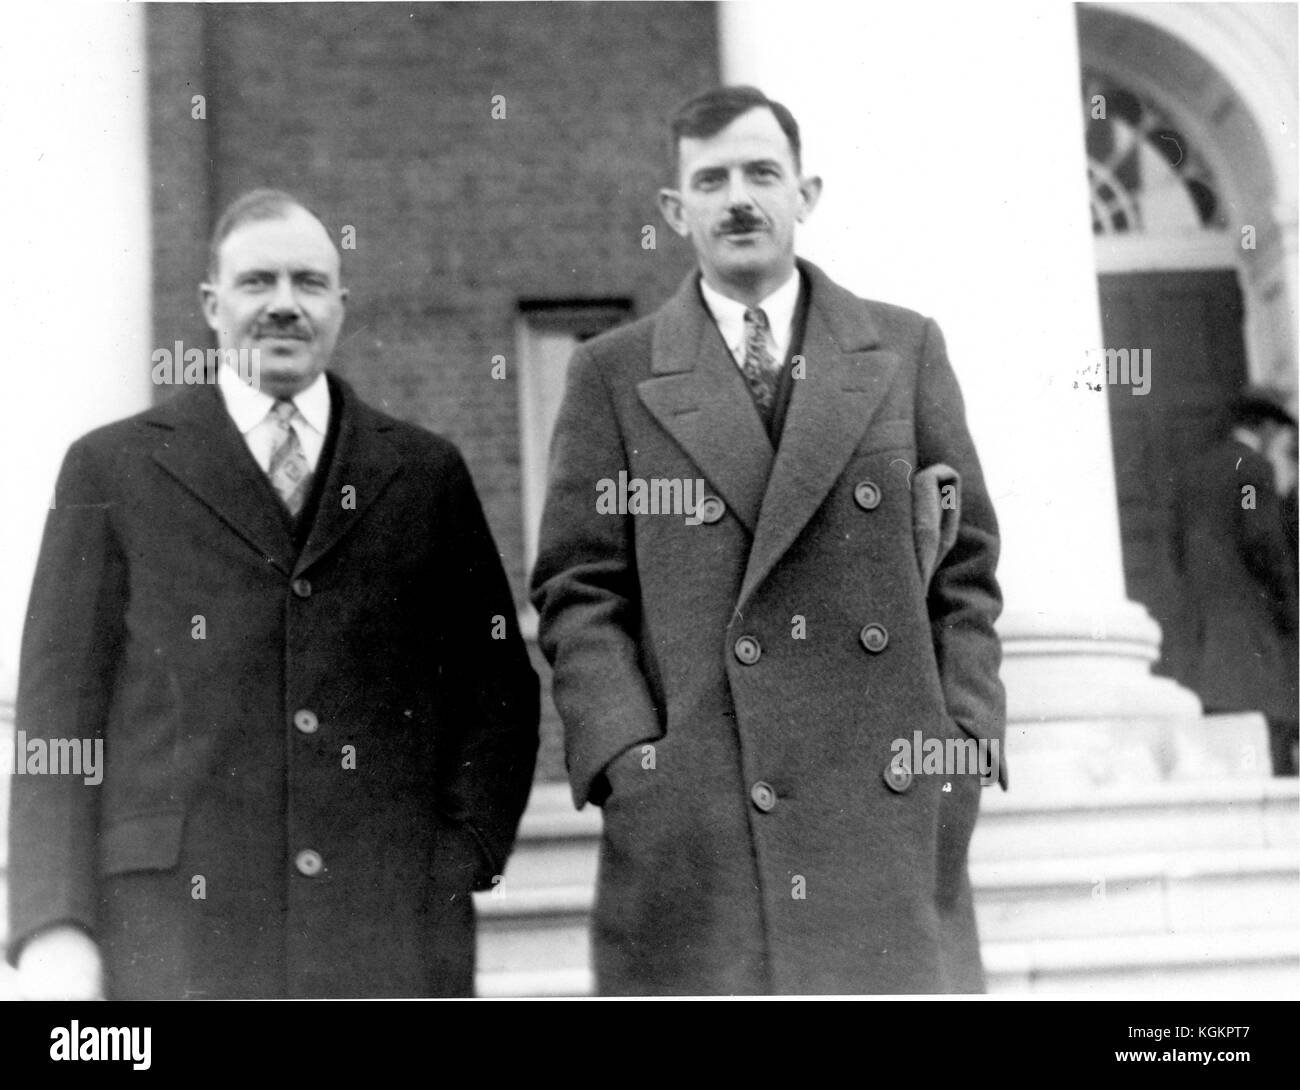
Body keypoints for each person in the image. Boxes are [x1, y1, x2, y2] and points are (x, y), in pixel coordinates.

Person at [7, 189, 539, 999]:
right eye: (258, 283)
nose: (284, 306)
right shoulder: (110, 470)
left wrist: (458, 855)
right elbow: (59, 715)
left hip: (386, 937)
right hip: (176, 937)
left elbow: (497, 689)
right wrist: (53, 925)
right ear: (212, 306)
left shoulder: (425, 474)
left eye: (309, 283)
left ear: (341, 305)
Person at [530, 86, 1005, 995]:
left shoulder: (902, 352)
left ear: (806, 194)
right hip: (702, 812)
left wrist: (966, 736)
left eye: (762, 173)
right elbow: (579, 589)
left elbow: (969, 568)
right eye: (711, 179)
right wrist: (631, 760)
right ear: (676, 211)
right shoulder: (613, 373)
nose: (738, 197)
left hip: (887, 808)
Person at [1175, 390, 1298, 776]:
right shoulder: (1251, 470)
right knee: (1268, 728)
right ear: (1265, 428)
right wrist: (1288, 603)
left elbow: (1177, 547)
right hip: (1250, 624)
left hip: (1203, 629)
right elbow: (1258, 537)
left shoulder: (1193, 472)